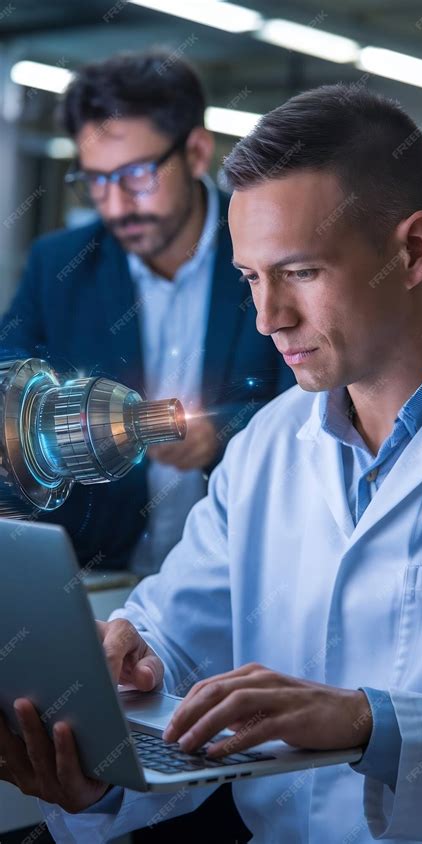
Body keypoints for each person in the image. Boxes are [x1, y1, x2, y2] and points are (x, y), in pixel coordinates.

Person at [1, 84, 422, 843]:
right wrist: (125, 681)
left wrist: (372, 723)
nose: (268, 318)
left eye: (302, 273)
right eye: (251, 276)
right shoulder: (265, 450)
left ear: (413, 250)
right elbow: (177, 649)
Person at [0, 49, 293, 575]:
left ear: (197, 153)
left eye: (135, 175)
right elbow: (6, 377)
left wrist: (219, 435)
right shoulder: (59, 264)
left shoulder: (270, 249)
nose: (114, 206)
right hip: (100, 574)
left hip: (244, 574)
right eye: (95, 180)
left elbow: (311, 400)